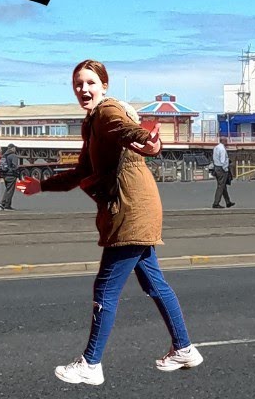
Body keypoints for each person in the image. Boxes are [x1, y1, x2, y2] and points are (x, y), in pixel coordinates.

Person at [17, 59, 202, 385]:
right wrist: (40, 185)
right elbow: (81, 172)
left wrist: (148, 139)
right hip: (136, 206)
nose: (83, 89)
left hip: (130, 209)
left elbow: (125, 128)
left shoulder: (106, 112)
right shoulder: (93, 122)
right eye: (78, 84)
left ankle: (90, 363)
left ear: (104, 85)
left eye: (90, 82)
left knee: (106, 287)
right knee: (153, 282)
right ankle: (184, 348)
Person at [210, 136, 235, 209]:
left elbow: (215, 158)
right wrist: (226, 169)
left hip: (216, 168)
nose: (227, 142)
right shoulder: (222, 149)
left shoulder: (216, 148)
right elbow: (223, 160)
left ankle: (228, 202)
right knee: (221, 186)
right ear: (223, 141)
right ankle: (216, 203)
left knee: (223, 186)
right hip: (222, 169)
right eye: (226, 141)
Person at [0, 143, 20, 211]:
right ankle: (5, 205)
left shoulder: (4, 155)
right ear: (12, 148)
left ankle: (5, 204)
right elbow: (15, 166)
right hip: (11, 175)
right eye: (14, 148)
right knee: (10, 191)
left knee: (7, 189)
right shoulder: (13, 156)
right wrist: (17, 174)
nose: (15, 149)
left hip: (5, 175)